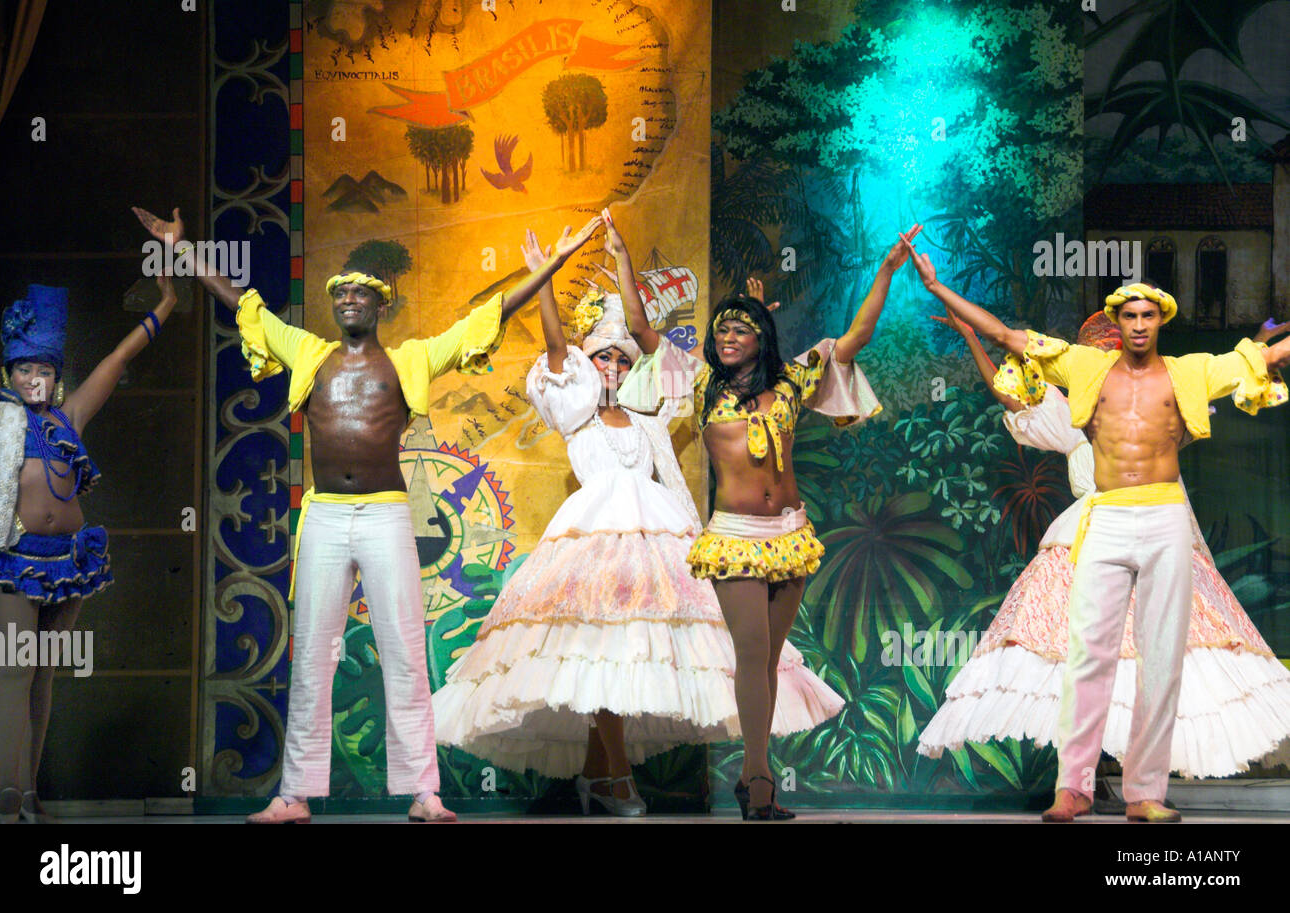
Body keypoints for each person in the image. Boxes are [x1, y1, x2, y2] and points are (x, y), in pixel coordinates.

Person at [134, 204, 600, 823]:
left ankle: (423, 793)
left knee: (404, 650)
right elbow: (238, 300)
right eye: (342, 293)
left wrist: (548, 270)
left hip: (384, 514)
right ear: (335, 307)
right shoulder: (306, 352)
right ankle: (293, 793)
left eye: (362, 293)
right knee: (314, 654)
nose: (350, 300)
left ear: (381, 307)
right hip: (325, 515)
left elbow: (487, 318)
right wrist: (182, 248)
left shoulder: (410, 359)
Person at [432, 223, 843, 816]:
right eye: (599, 357)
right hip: (595, 539)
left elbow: (684, 367)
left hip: (653, 539)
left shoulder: (649, 418)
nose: (610, 367)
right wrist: (545, 281)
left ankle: (609, 775)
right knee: (600, 650)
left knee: (638, 653)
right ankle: (611, 775)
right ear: (585, 363)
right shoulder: (577, 416)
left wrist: (759, 322)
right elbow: (554, 347)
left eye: (618, 359)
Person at [909, 235, 1290, 822]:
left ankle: (1145, 795)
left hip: (1164, 513)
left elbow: (1266, 359)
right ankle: (1074, 788)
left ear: (1159, 321)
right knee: (1089, 654)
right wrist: (939, 288)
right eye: (1127, 316)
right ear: (1115, 320)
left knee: (1161, 659)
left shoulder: (1190, 372)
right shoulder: (1083, 367)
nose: (1136, 326)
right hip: (1105, 515)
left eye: (1146, 316)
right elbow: (1008, 336)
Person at [619, 215, 909, 819]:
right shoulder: (702, 387)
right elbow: (644, 330)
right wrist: (623, 256)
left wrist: (883, 272)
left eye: (739, 328)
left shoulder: (792, 381)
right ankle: (757, 781)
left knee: (770, 661)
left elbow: (853, 339)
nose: (726, 335)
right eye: (720, 328)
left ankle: (758, 777)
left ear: (761, 339)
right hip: (736, 538)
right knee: (752, 657)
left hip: (791, 535)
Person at [0, 276, 177, 823]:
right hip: (13, 560)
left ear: (57, 374)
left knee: (44, 675)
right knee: (14, 671)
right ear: (8, 373)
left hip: (69, 562)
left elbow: (118, 358)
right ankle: (8, 795)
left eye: (43, 369)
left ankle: (29, 794)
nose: (34, 379)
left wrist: (166, 302)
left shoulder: (69, 419)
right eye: (24, 368)